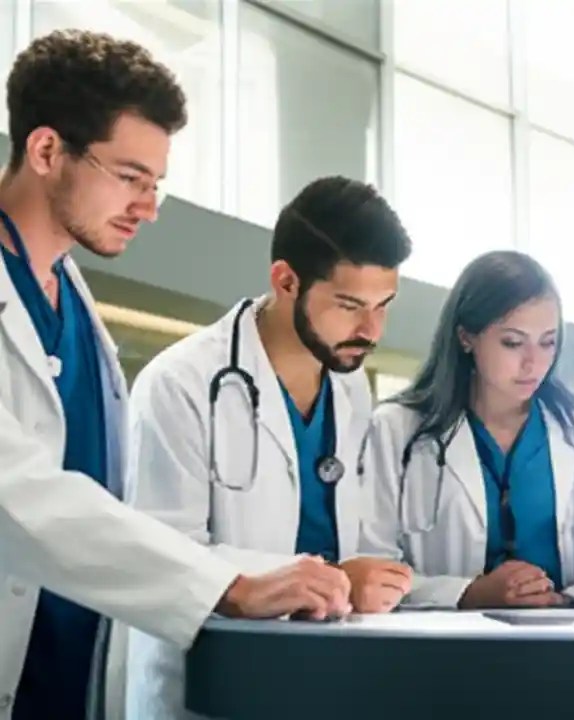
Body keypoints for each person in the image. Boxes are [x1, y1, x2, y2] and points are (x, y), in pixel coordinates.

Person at [0, 30, 349, 720]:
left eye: (156, 183)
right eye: (130, 177)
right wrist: (226, 583)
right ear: (46, 151)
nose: (149, 207)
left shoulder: (71, 300)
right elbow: (17, 495)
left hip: (67, 679)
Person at [123, 176, 414, 717]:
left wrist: (372, 578)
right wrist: (331, 580)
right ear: (286, 281)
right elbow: (163, 555)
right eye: (350, 304)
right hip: (214, 685)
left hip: (324, 678)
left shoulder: (349, 387)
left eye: (384, 305)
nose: (371, 330)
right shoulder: (182, 383)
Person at [359, 250, 574, 608]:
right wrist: (467, 594)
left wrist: (568, 599)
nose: (533, 362)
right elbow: (372, 564)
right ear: (466, 338)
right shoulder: (397, 429)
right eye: (512, 342)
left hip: (560, 641)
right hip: (441, 648)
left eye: (547, 342)